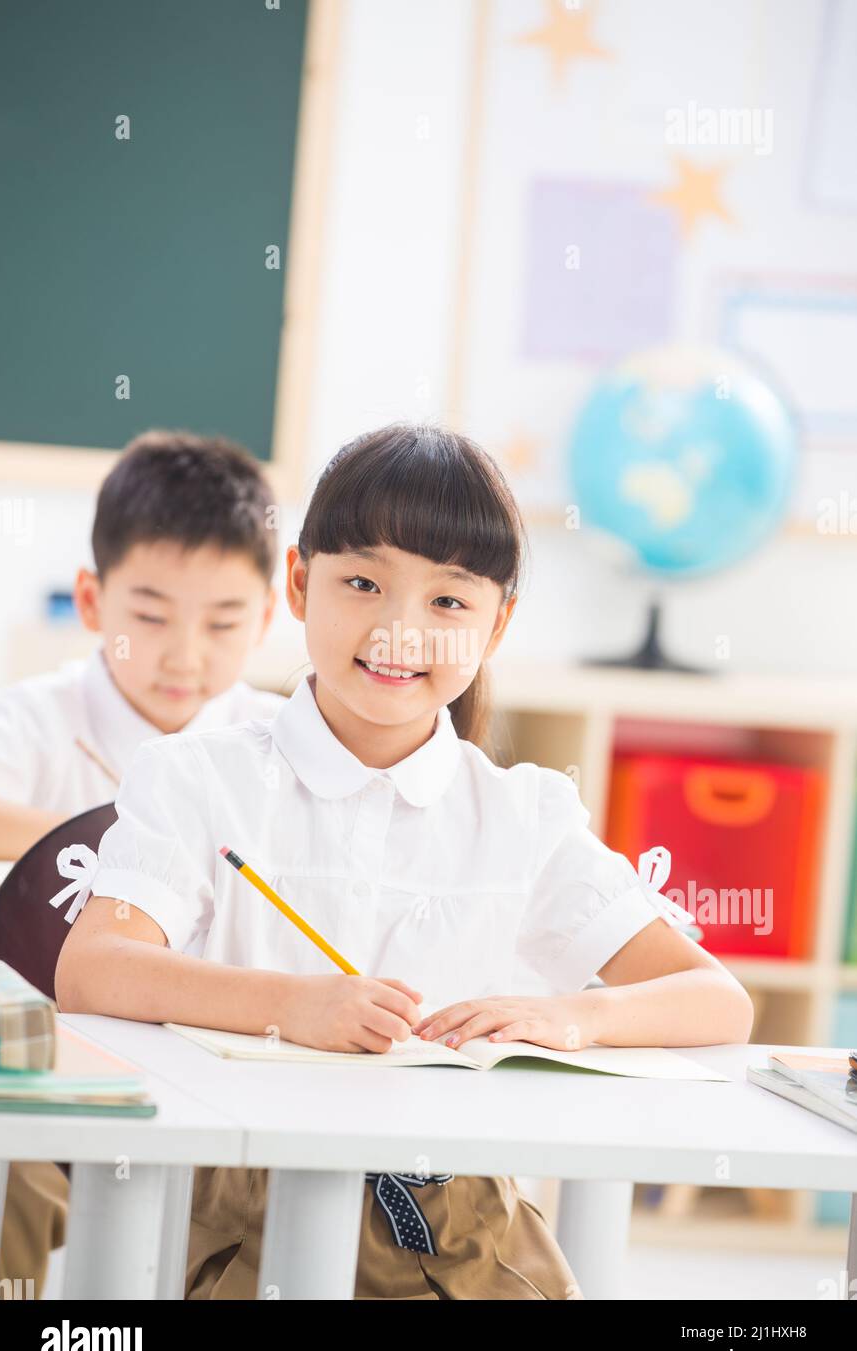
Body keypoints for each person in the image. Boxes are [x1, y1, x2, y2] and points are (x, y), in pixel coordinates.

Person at [56, 422, 753, 1300]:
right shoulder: (201, 775)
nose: (399, 629)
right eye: (362, 583)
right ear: (301, 585)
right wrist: (291, 1007)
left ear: (496, 626)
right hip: (246, 1220)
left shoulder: (522, 814)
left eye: (448, 603)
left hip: (463, 1232)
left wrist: (569, 1018)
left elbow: (715, 1001)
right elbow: (94, 967)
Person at [0, 429, 286, 1296]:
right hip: (55, 1070)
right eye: (151, 617)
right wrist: (143, 844)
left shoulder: (274, 743)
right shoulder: (37, 719)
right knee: (12, 1185)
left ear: (268, 617)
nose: (184, 655)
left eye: (224, 622)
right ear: (92, 601)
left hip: (224, 1074)